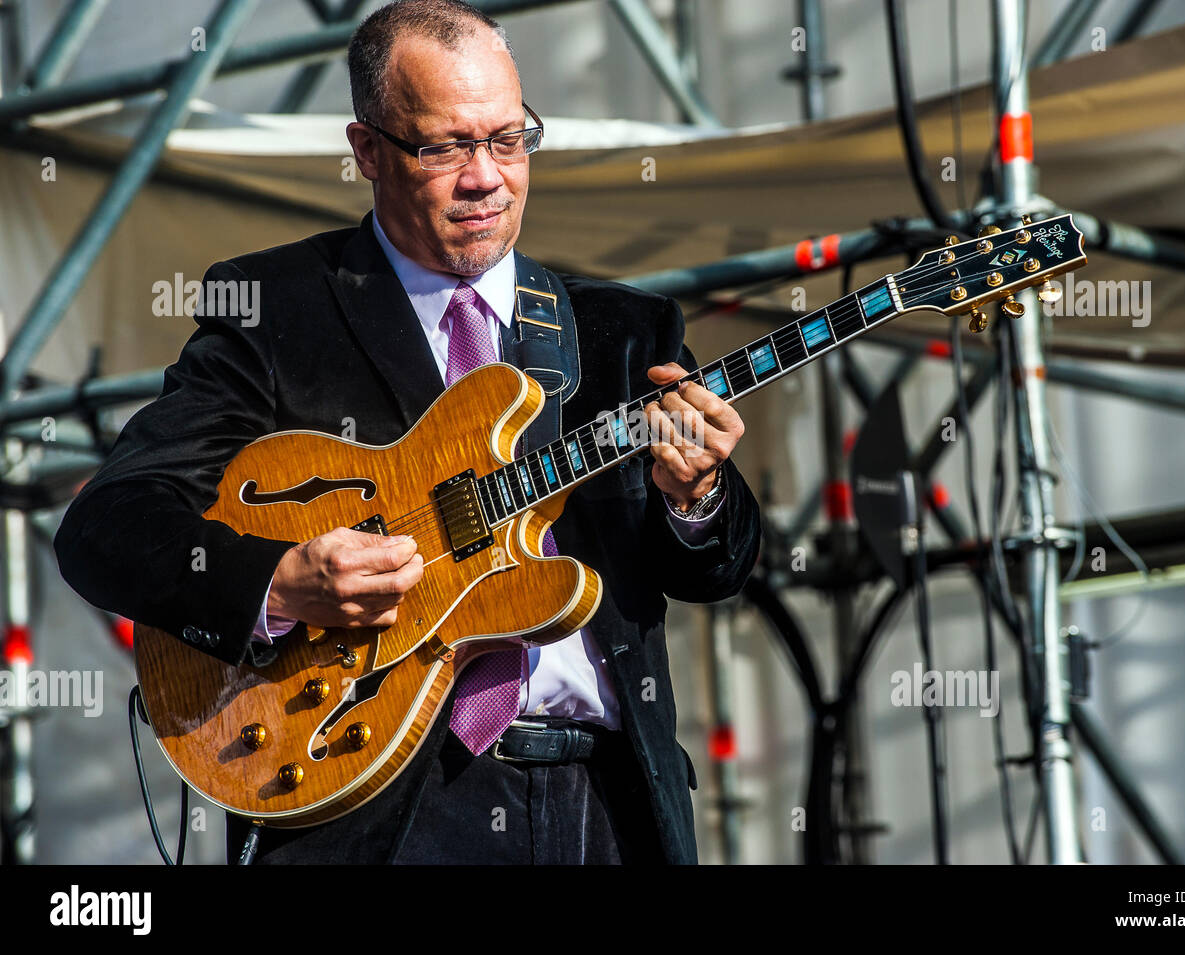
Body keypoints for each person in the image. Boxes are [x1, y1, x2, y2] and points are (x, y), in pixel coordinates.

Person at [54, 0, 760, 864]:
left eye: (508, 140)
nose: (486, 177)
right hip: (384, 808)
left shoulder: (622, 330)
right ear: (366, 152)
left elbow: (714, 568)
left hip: (606, 806)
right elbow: (108, 526)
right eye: (445, 147)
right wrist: (279, 581)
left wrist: (697, 497)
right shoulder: (280, 311)